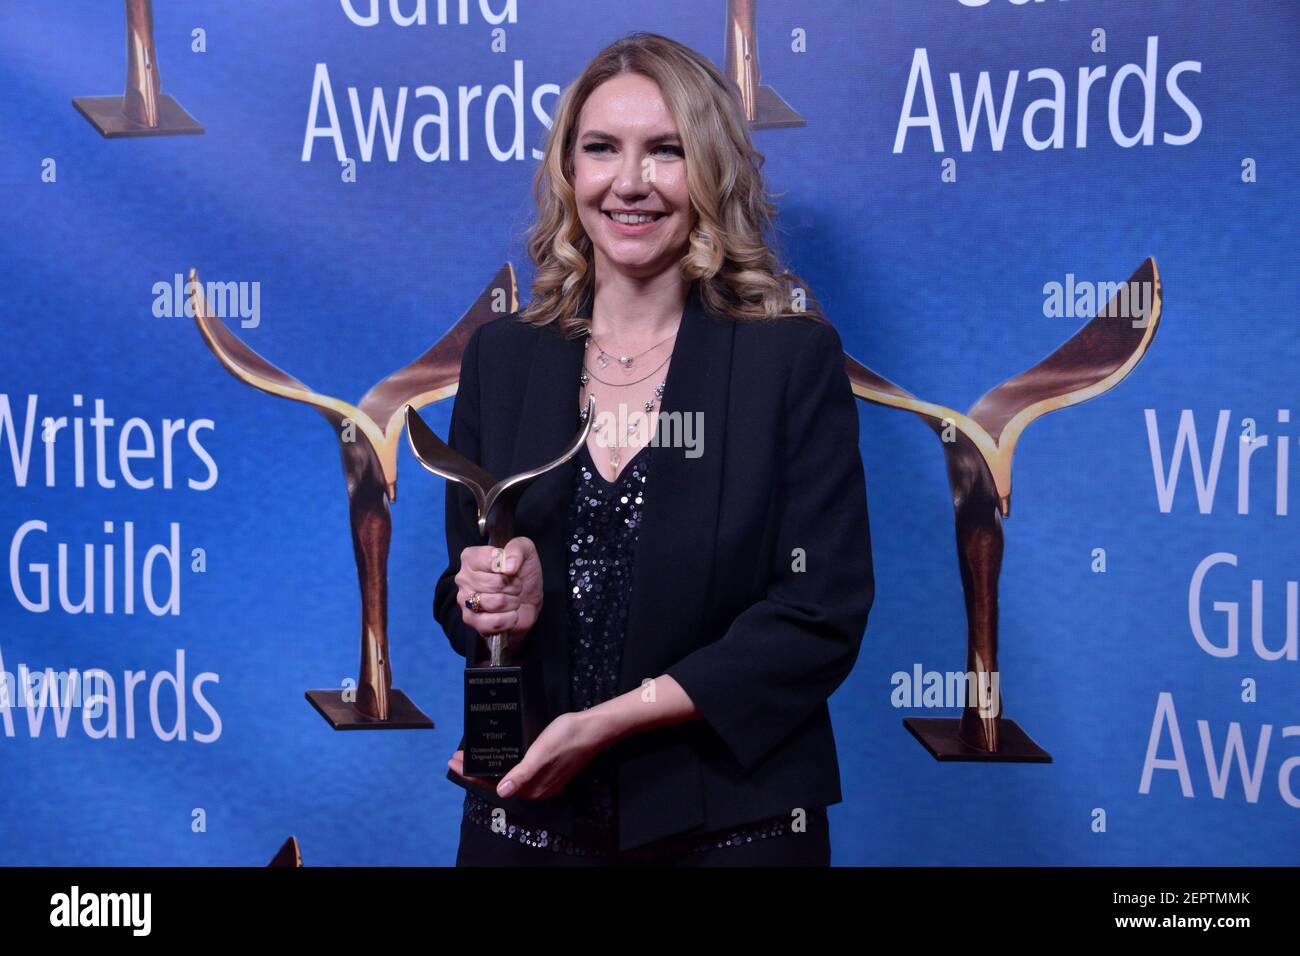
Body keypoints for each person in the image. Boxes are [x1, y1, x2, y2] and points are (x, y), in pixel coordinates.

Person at [433, 31, 873, 867]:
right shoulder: (504, 359)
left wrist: (607, 724)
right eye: (602, 148)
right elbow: (465, 601)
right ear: (569, 171)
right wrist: (497, 612)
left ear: (710, 170)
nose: (629, 183)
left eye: (665, 151)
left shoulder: (788, 361)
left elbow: (818, 615)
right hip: (531, 820)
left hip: (728, 823)